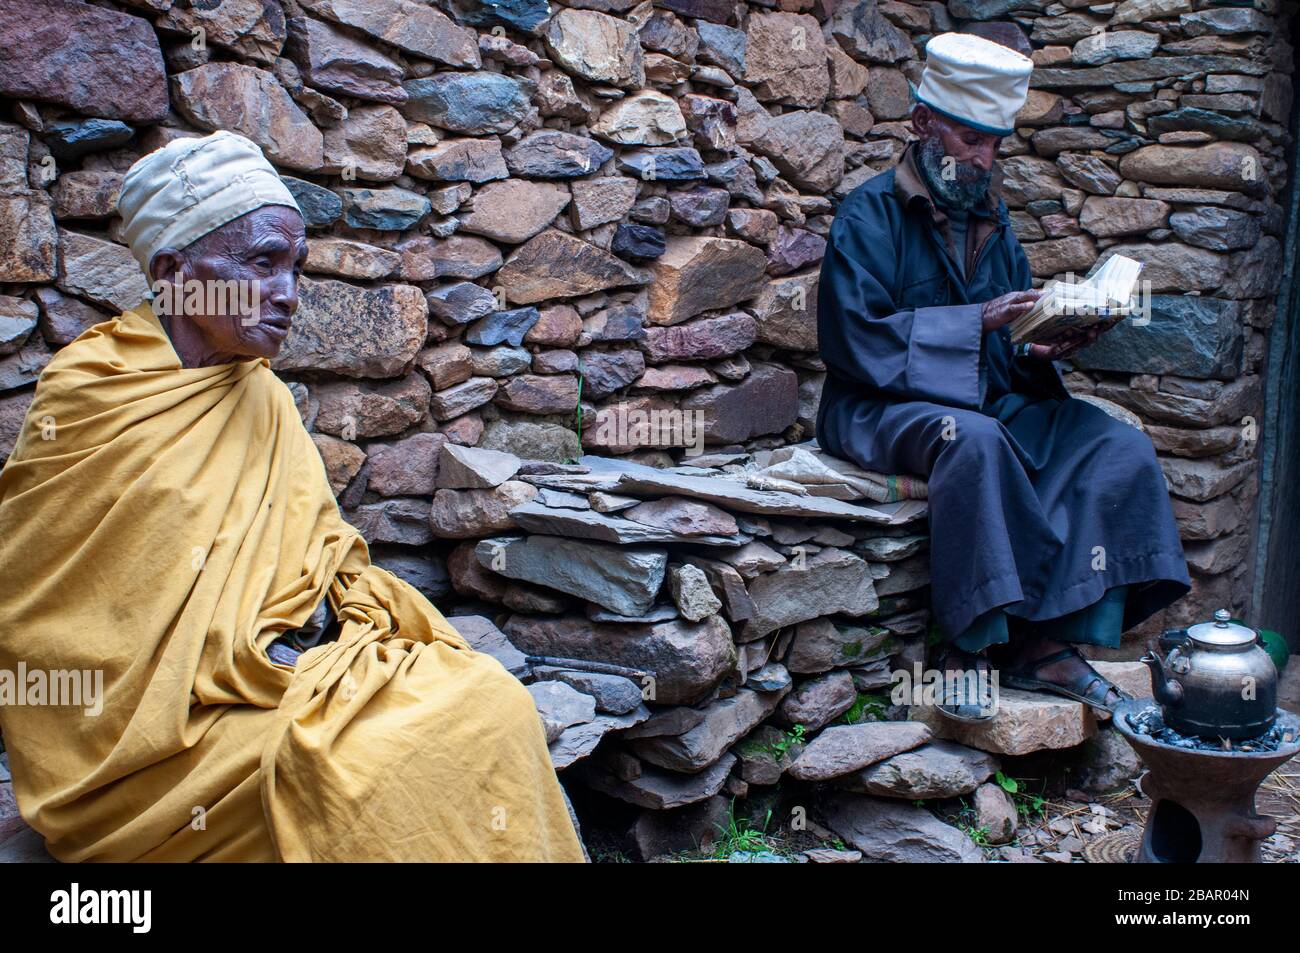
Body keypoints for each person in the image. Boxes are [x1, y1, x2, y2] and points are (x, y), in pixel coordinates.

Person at [0, 130, 586, 861]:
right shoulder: (93, 395)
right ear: (176, 272)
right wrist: (247, 658)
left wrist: (334, 624)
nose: (289, 293)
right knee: (374, 766)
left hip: (287, 663)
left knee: (487, 701)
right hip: (154, 733)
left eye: (297, 267)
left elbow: (322, 554)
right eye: (263, 263)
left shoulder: (262, 394)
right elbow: (57, 612)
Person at [815, 32, 1190, 722]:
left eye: (994, 144)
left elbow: (1005, 349)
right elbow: (853, 339)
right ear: (923, 123)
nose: (983, 160)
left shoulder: (993, 222)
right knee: (975, 440)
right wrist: (976, 320)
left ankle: (1045, 642)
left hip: (984, 399)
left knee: (1114, 444)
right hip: (875, 408)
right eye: (970, 139)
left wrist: (1042, 345)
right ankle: (968, 646)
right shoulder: (868, 214)